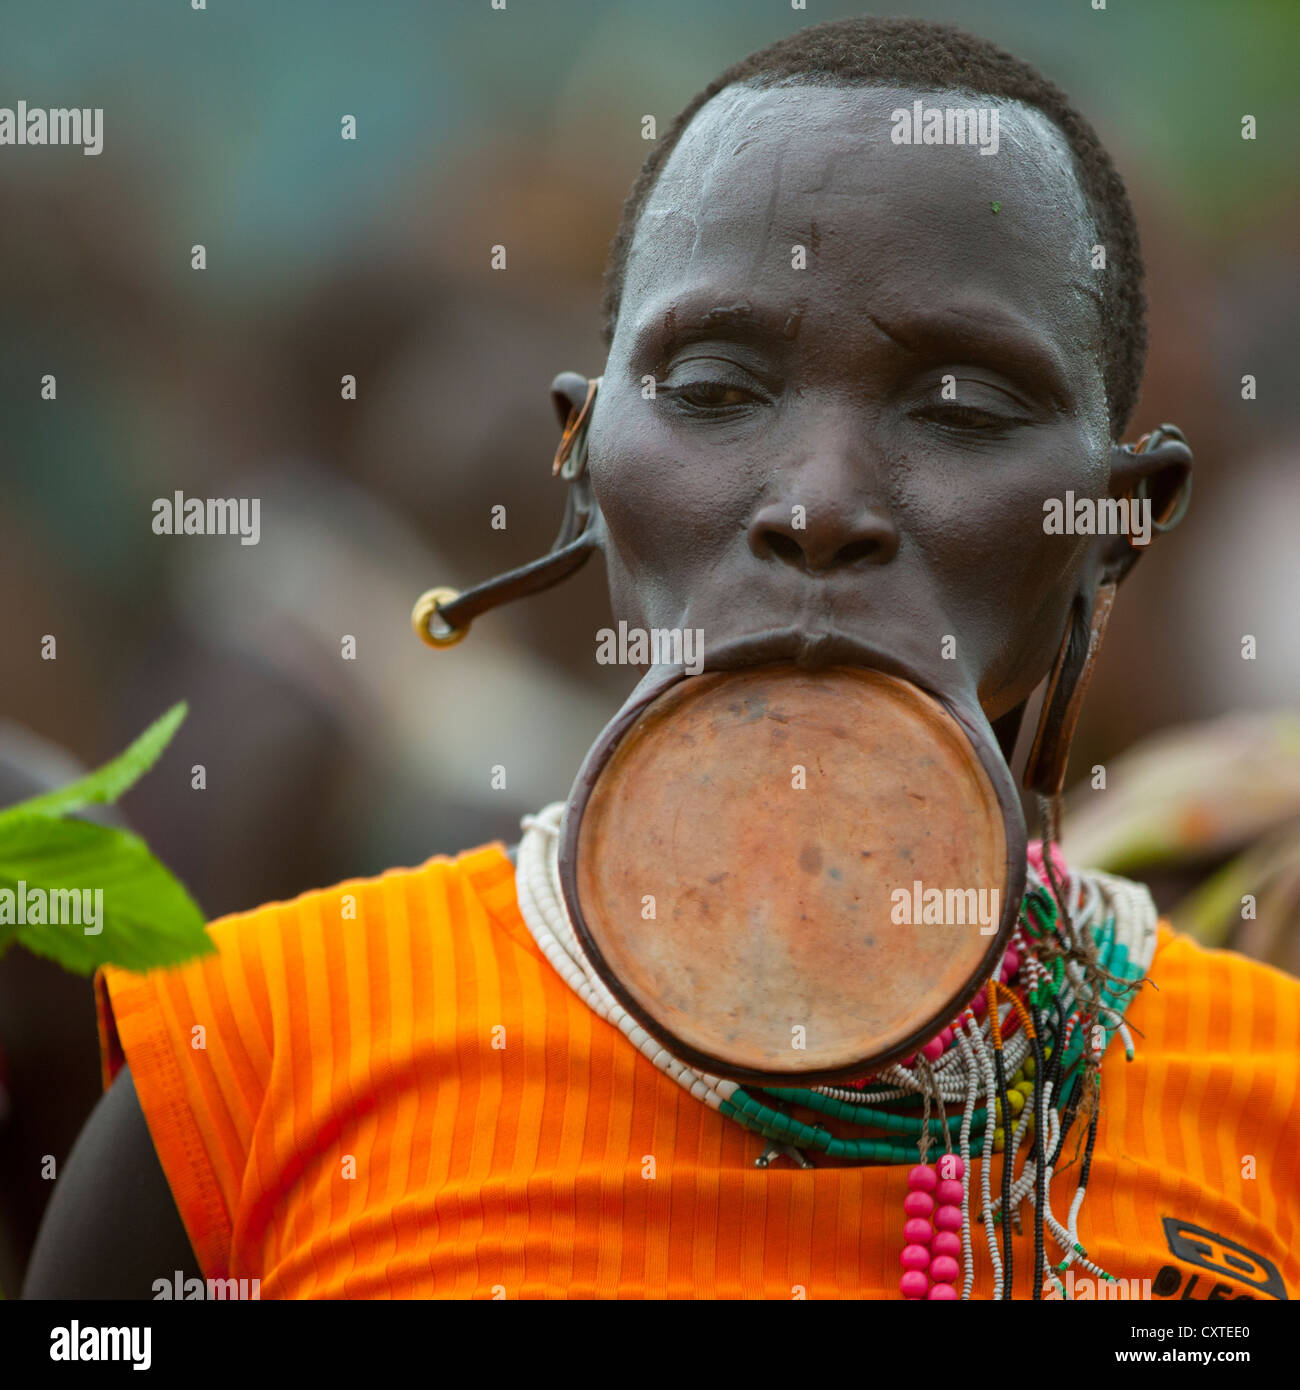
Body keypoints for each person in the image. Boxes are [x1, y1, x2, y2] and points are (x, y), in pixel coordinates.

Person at [25, 16, 1299, 1301]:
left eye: (962, 409)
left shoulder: (1271, 1099)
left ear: (1122, 520)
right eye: (711, 387)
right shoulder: (255, 1053)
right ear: (580, 458)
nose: (817, 502)